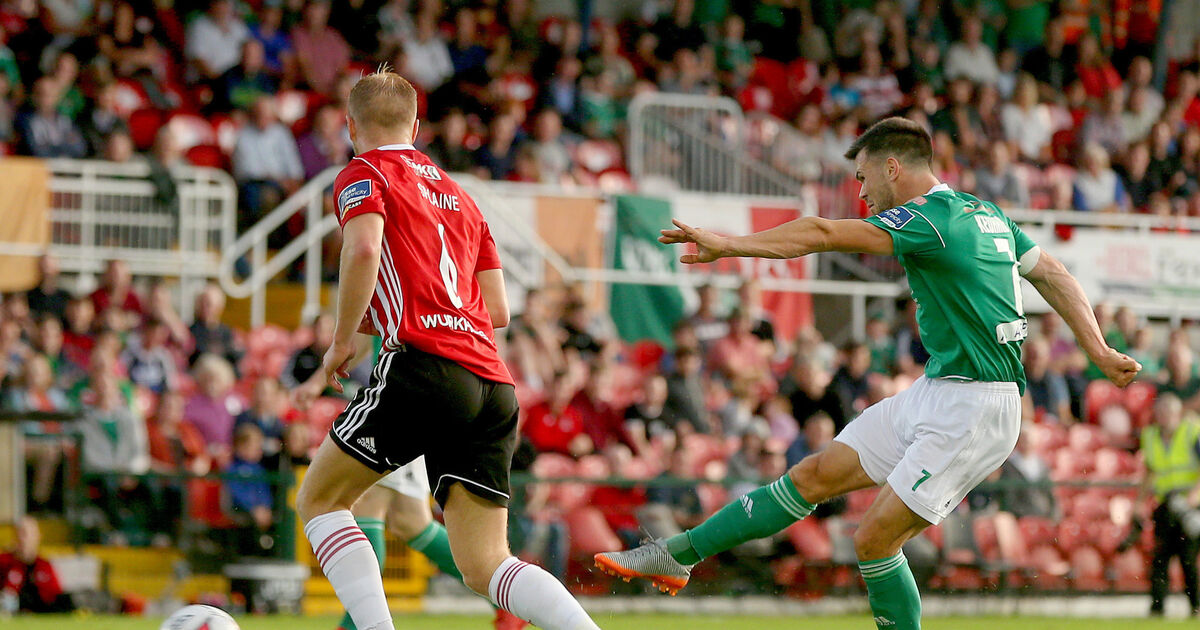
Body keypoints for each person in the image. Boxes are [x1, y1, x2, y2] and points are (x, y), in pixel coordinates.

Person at [595, 117, 1140, 629]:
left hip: (976, 408)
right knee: (814, 476)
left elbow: (822, 234)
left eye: (863, 178)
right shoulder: (986, 213)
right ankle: (675, 556)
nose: (861, 193)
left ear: (892, 168)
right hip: (939, 390)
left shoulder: (929, 219)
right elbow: (1054, 273)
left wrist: (729, 244)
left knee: (875, 540)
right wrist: (1098, 349)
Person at [290, 70, 600, 630]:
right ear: (416, 124)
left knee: (320, 501)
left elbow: (363, 250)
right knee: (487, 565)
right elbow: (498, 309)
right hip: (492, 382)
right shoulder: (459, 195)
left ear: (350, 125)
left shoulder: (364, 172)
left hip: (425, 367)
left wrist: (341, 342)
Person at [1139, 393, 1200, 617]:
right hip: (1166, 504)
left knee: (1188, 559)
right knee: (1160, 558)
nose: (1163, 418)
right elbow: (1150, 471)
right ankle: (1157, 608)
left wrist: (1192, 499)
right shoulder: (1151, 435)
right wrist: (1139, 502)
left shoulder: (1192, 432)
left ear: (1177, 414)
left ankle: (1195, 606)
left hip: (1189, 505)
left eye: (1167, 413)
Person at [0, 516, 72, 613]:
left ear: (38, 537)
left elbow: (55, 595)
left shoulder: (44, 565)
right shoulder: (4, 561)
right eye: (20, 533)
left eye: (28, 534)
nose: (24, 539)